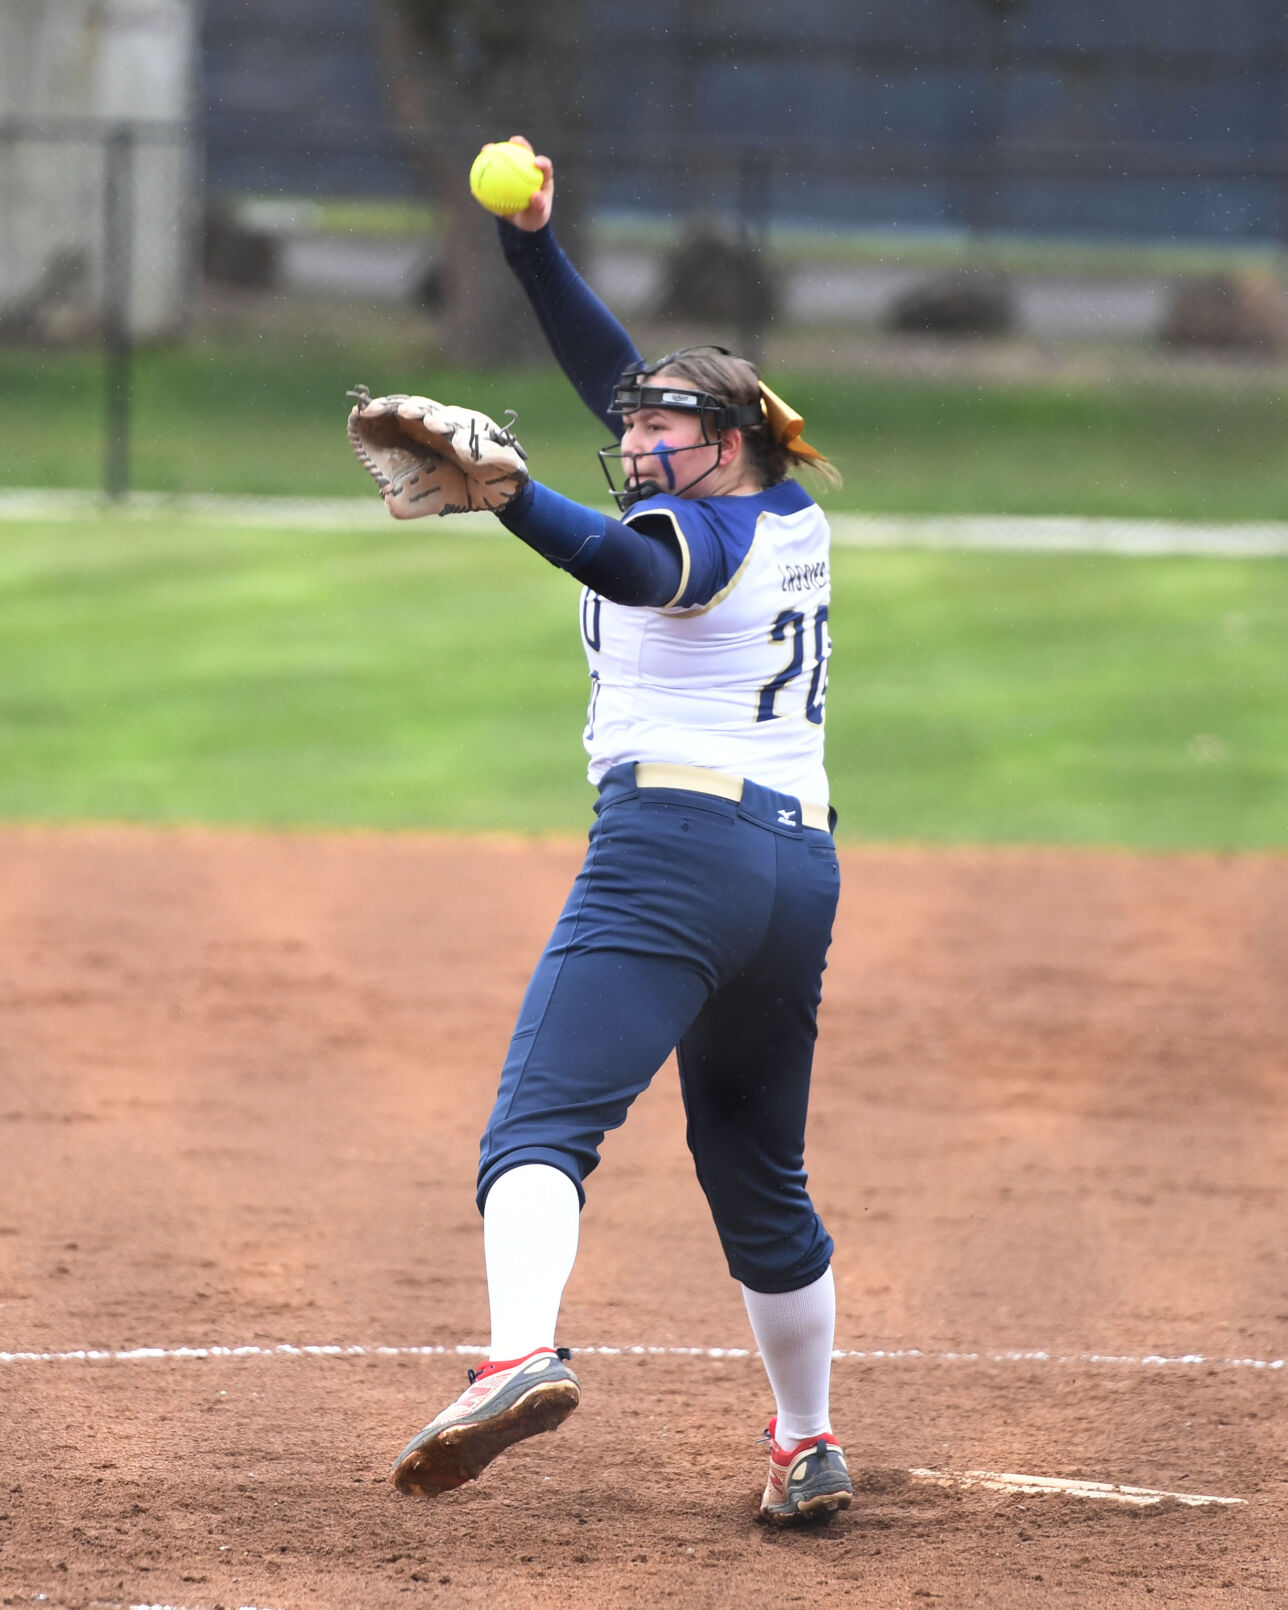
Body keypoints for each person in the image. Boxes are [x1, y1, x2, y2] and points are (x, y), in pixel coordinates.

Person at [390, 136, 850, 1526]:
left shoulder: (700, 534)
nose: (641, 440)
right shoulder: (780, 501)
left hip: (673, 855)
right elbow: (623, 372)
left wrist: (516, 499)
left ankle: (521, 1349)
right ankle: (806, 1438)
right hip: (796, 870)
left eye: (667, 432)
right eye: (638, 427)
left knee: (543, 1119)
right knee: (758, 1168)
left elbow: (646, 568)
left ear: (737, 441)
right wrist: (532, 240)